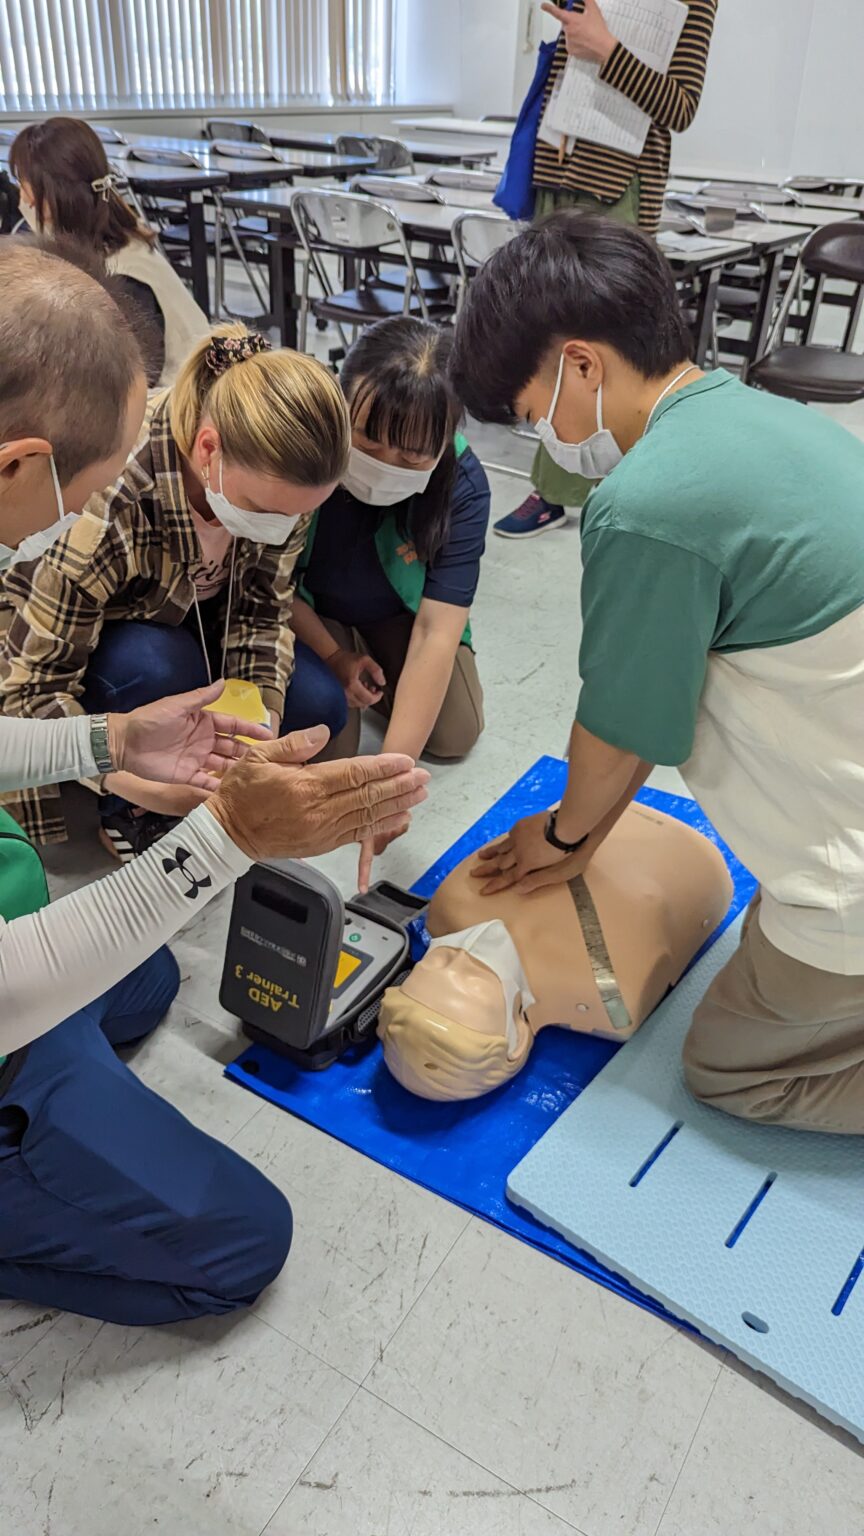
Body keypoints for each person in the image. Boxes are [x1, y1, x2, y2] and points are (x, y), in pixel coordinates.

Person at [0, 239, 428, 1324]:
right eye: (80, 491)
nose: (69, 521)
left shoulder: (240, 521)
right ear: (21, 463)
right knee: (245, 1240)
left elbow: (254, 634)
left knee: (143, 982)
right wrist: (221, 838)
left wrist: (107, 748)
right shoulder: (92, 534)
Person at [450, 212, 864, 1136]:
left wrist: (561, 838)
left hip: (851, 884)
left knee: (728, 1070)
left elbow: (622, 722)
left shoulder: (646, 506)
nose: (547, 445)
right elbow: (650, 694)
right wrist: (580, 841)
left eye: (532, 416)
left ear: (583, 366)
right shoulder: (766, 414)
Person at [0, 320, 352, 861]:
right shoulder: (109, 505)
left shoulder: (282, 484)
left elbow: (262, 615)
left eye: (300, 516)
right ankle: (124, 813)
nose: (283, 528)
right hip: (85, 648)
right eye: (266, 512)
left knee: (318, 703)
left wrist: (262, 730)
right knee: (161, 667)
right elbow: (28, 694)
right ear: (208, 450)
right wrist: (142, 783)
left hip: (186, 617)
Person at [495, 0, 717, 539]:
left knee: (607, 348)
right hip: (557, 167)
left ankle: (607, 486)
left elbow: (680, 108)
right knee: (545, 333)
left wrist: (607, 49)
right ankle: (555, 487)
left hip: (616, 187)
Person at [290, 317, 489, 883]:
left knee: (453, 734)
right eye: (368, 443)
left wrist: (388, 786)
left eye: (410, 457)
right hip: (311, 611)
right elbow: (269, 588)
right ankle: (346, 662)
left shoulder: (463, 483)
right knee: (329, 748)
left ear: (445, 442)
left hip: (397, 613)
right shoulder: (303, 441)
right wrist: (333, 656)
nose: (383, 466)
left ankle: (366, 669)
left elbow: (437, 632)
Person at [379, 800, 732, 1100]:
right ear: (516, 1039)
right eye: (469, 983)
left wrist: (562, 832)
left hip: (582, 813)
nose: (459, 954)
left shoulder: (445, 912)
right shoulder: (605, 992)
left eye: (435, 964)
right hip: (694, 857)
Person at [11, 116, 210, 387]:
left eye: (26, 184)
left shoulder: (126, 277)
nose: (23, 198)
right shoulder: (96, 248)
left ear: (59, 195)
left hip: (173, 406)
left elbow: (131, 389)